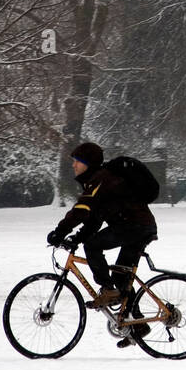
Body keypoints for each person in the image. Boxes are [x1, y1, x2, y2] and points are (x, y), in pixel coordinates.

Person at [47, 142, 157, 345]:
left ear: (88, 163)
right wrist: (76, 237)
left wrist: (60, 232)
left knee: (93, 246)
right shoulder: (100, 180)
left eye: (77, 162)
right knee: (121, 276)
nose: (73, 166)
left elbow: (81, 209)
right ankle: (137, 324)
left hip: (134, 227)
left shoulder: (100, 179)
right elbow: (93, 219)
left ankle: (107, 290)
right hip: (137, 227)